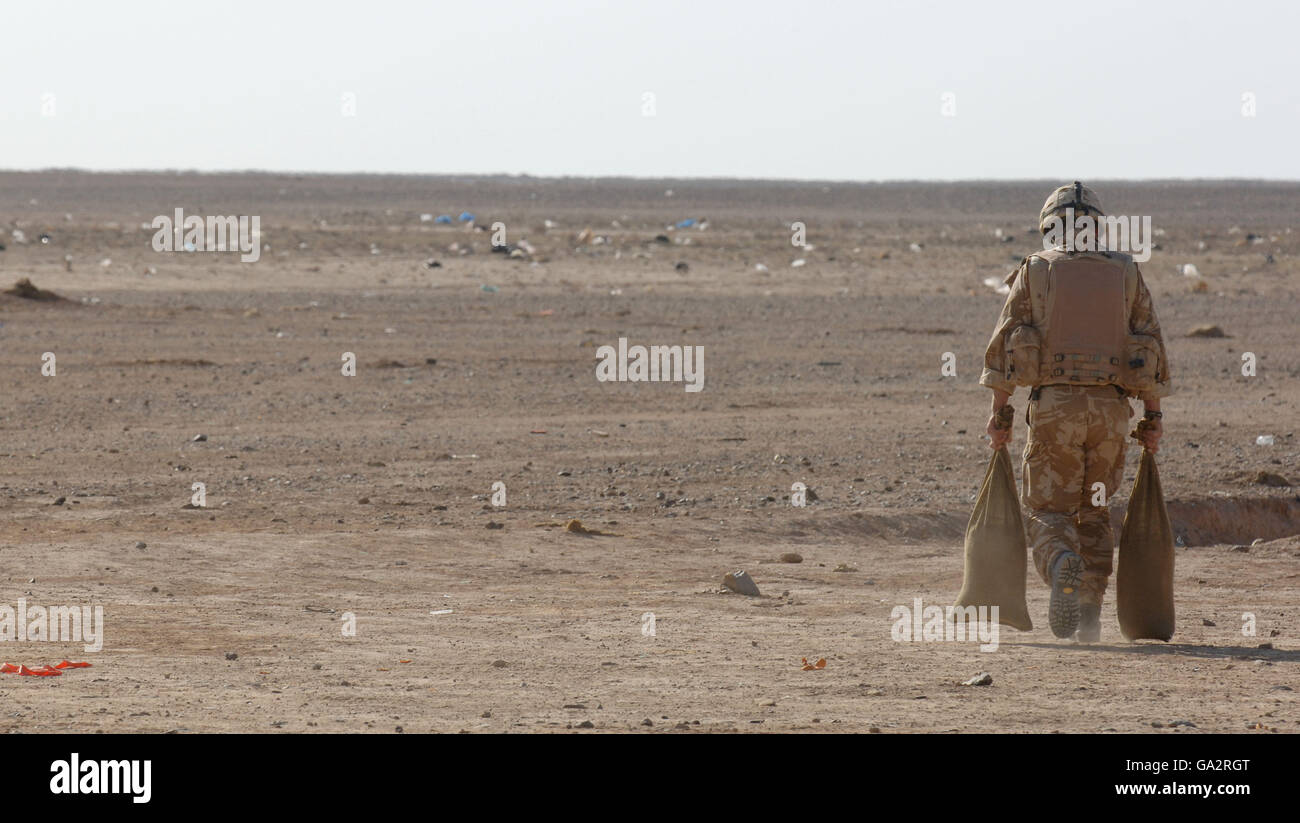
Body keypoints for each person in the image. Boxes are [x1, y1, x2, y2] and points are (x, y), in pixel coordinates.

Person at [979, 182, 1172, 641]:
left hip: (1054, 410)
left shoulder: (1036, 270)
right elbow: (1150, 346)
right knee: (1096, 511)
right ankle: (1088, 611)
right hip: (1110, 412)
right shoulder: (1126, 272)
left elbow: (1006, 345)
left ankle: (1062, 564)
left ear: (1050, 226)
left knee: (1050, 510)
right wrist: (1153, 419)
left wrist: (1000, 415)